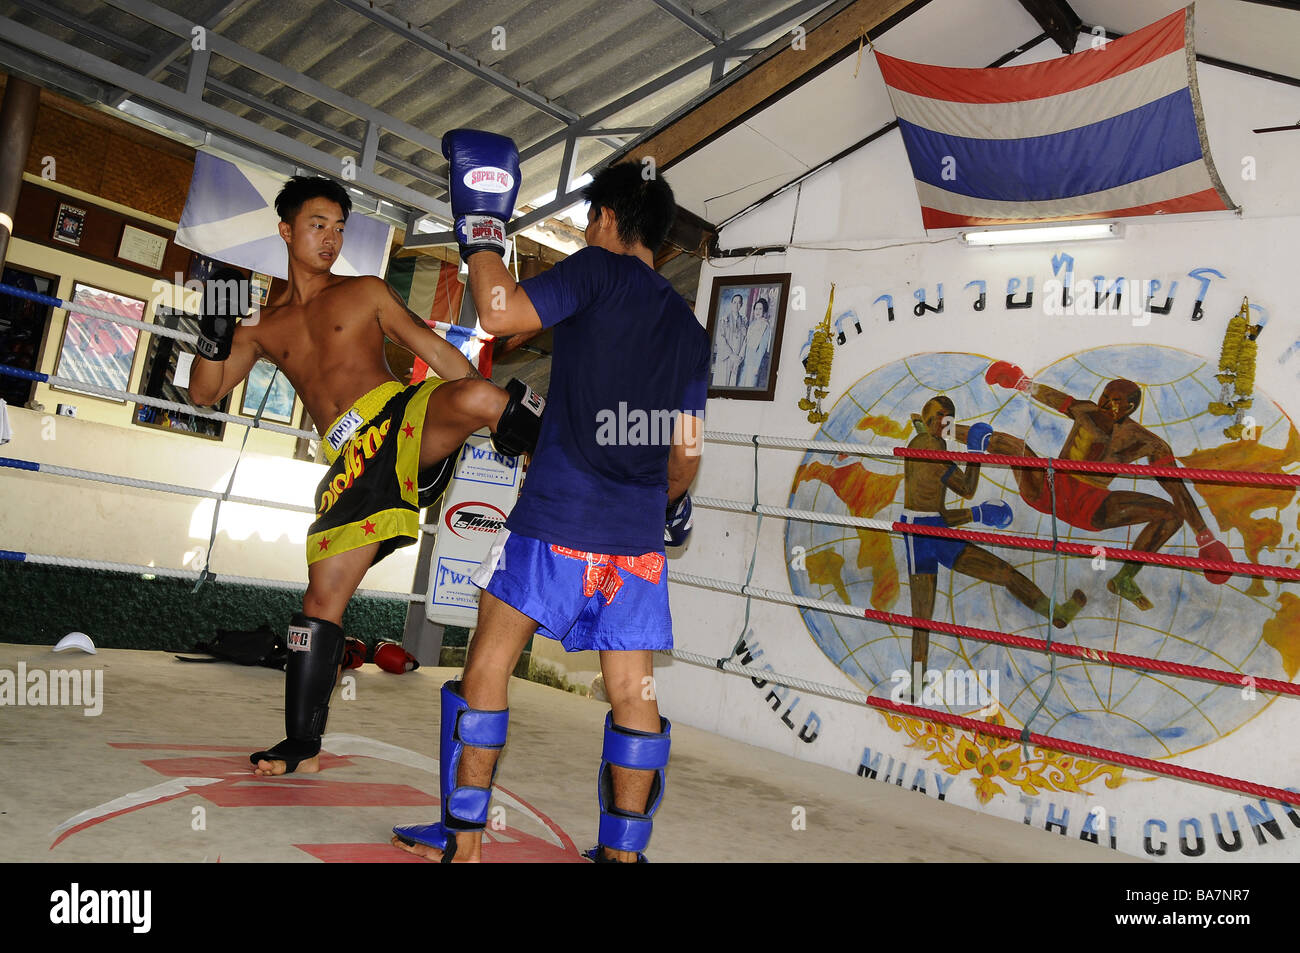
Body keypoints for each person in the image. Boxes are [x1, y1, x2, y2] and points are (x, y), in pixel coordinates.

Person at [391, 131, 709, 863]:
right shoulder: (690, 332)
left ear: (603, 218)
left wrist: (481, 229)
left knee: (489, 665)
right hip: (634, 545)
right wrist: (665, 501)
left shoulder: (595, 269)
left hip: (556, 520)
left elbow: (498, 312)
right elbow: (686, 457)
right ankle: (623, 854)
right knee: (634, 693)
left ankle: (465, 842)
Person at [187, 175, 545, 777]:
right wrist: (213, 332)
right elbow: (204, 393)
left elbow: (437, 355)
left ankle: (564, 460)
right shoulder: (258, 325)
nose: (331, 238)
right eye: (317, 225)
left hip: (397, 419)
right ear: (286, 231)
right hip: (350, 464)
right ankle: (300, 743)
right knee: (319, 604)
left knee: (484, 398)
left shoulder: (365, 292)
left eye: (339, 228)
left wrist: (474, 399)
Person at [984, 363, 1232, 609]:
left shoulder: (1145, 441)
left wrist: (1205, 538)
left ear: (1130, 408)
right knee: (1012, 446)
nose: (1105, 403)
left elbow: (1176, 488)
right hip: (1049, 490)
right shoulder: (1086, 411)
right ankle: (950, 433)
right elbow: (1053, 397)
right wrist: (1020, 383)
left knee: (1171, 515)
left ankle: (1125, 578)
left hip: (1091, 506)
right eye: (1104, 395)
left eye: (1115, 400)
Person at [903, 397, 1085, 692]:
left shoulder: (932, 445)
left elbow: (937, 515)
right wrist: (975, 451)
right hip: (919, 535)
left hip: (934, 529)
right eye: (938, 415)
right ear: (926, 416)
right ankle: (915, 681)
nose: (943, 421)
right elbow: (967, 489)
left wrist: (977, 515)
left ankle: (1057, 614)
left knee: (1004, 573)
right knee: (921, 614)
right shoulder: (926, 444)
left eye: (948, 416)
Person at [736, 296, 773, 388]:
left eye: (760, 309)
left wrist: (757, 366)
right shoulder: (752, 325)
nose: (758, 311)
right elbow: (745, 342)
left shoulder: (765, 326)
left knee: (749, 386)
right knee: (740, 385)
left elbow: (762, 348)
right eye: (756, 309)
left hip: (755, 362)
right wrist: (739, 360)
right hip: (746, 361)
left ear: (764, 311)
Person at [713, 293, 746, 386]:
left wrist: (739, 358)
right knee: (722, 383)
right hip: (726, 357)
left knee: (732, 384)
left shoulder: (744, 322)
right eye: (734, 302)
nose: (736, 305)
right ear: (731, 303)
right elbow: (720, 338)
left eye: (739, 303)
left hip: (737, 359)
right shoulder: (724, 319)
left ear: (741, 305)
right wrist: (731, 355)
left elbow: (745, 341)